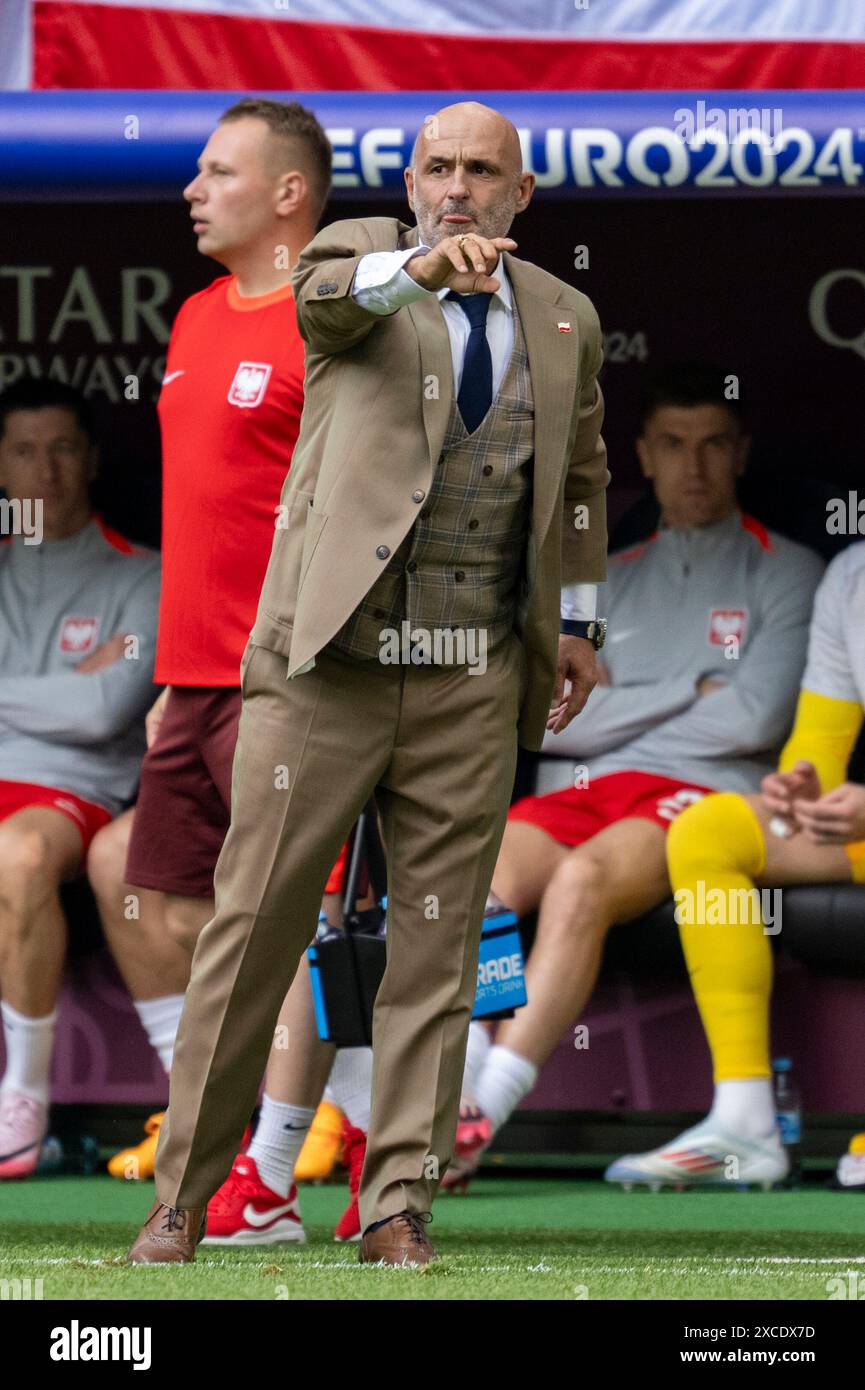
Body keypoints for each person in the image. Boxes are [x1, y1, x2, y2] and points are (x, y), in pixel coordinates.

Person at [126, 98, 610, 1268]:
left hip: (473, 669)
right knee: (252, 933)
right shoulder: (349, 255)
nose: (458, 185)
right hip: (325, 669)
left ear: (520, 193)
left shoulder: (564, 315)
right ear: (408, 181)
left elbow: (583, 469)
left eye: (482, 171)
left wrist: (580, 624)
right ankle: (183, 1198)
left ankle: (397, 1202)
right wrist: (420, 267)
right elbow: (329, 309)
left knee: (437, 954)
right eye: (437, 166)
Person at [332, 362, 827, 1191]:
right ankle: (457, 1078)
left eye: (711, 445)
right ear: (642, 453)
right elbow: (550, 724)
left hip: (699, 793)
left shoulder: (788, 570)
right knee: (473, 876)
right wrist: (689, 687)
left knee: (582, 883)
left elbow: (752, 720)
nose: (692, 465)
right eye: (672, 445)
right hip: (585, 785)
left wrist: (623, 700)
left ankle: (486, 1106)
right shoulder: (609, 574)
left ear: (738, 453)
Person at [85, 100, 353, 1221]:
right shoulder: (194, 315)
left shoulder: (335, 319)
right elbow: (205, 514)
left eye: (217, 171)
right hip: (191, 681)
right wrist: (168, 677)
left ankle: (273, 1176)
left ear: (288, 195)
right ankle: (205, 1107)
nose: (192, 189)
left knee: (293, 921)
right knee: (138, 888)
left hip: (291, 678)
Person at [607, 538, 865, 1189]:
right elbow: (819, 739)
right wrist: (800, 785)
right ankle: (745, 1120)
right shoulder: (851, 574)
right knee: (707, 830)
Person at [0, 380, 160, 1177]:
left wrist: (77, 692)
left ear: (92, 459)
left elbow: (103, 713)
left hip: (76, 788)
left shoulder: (141, 573)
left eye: (62, 448)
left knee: (19, 857)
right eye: (25, 451)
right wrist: (65, 686)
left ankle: (22, 1096)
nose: (46, 471)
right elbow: (81, 694)